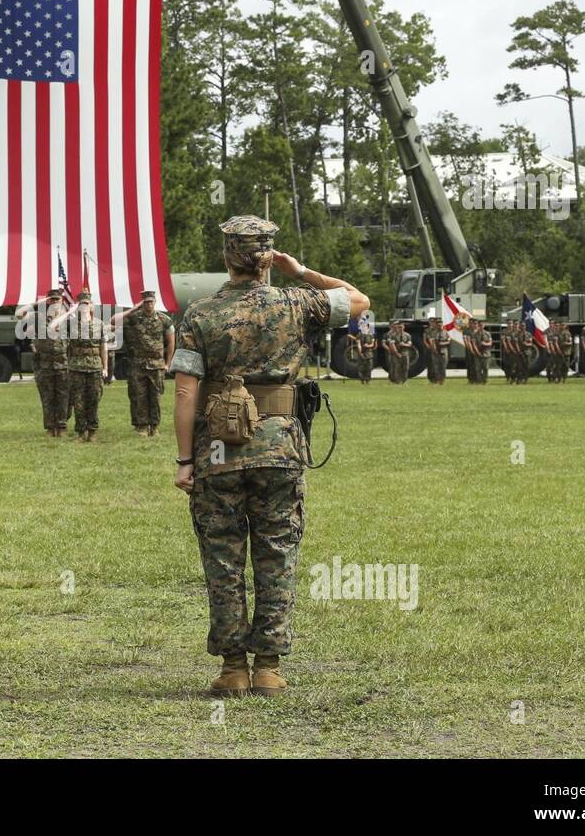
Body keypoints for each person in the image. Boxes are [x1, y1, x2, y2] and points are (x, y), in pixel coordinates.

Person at [173, 215, 367, 698]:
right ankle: (269, 668)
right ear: (267, 258)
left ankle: (233, 668)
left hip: (217, 449)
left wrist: (183, 461)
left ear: (227, 257)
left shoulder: (199, 314)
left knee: (223, 557)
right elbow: (359, 299)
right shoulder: (298, 303)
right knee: (277, 551)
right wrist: (300, 271)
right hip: (279, 447)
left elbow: (183, 392)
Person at [118, 289, 174, 436]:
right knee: (140, 396)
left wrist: (168, 363)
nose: (149, 304)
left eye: (151, 301)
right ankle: (142, 426)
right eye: (146, 302)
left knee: (155, 396)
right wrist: (134, 308)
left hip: (157, 365)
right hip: (139, 364)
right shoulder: (134, 318)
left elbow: (171, 342)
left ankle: (154, 427)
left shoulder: (163, 319)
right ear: (142, 303)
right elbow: (113, 321)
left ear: (155, 302)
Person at [17, 290, 70, 437]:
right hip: (44, 365)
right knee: (47, 398)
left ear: (62, 300)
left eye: (57, 299)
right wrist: (39, 302)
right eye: (51, 299)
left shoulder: (69, 318)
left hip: (64, 365)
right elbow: (19, 314)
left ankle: (62, 427)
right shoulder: (38, 318)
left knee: (63, 398)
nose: (54, 302)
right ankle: (50, 428)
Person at [65, 291, 108, 442]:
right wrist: (69, 312)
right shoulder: (71, 324)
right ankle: (80, 432)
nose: (84, 307)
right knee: (78, 400)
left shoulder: (99, 324)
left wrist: (105, 367)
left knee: (94, 399)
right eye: (81, 304)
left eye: (87, 304)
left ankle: (92, 431)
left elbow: (103, 347)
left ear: (91, 306)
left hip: (95, 366)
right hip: (77, 366)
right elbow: (52, 328)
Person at [423, 315, 449, 385]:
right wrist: (429, 347)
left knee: (439, 366)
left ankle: (438, 380)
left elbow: (448, 340)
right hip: (430, 349)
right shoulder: (427, 330)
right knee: (431, 365)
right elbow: (426, 340)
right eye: (431, 322)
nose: (432, 323)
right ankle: (431, 379)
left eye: (434, 322)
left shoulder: (440, 331)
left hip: (440, 350)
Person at [383, 320, 412, 384]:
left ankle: (404, 381)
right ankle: (397, 381)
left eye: (401, 327)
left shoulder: (407, 335)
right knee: (396, 367)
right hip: (396, 353)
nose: (400, 328)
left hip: (405, 354)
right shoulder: (392, 336)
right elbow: (391, 344)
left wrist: (404, 344)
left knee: (406, 367)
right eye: (399, 327)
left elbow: (410, 344)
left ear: (404, 327)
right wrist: (397, 353)